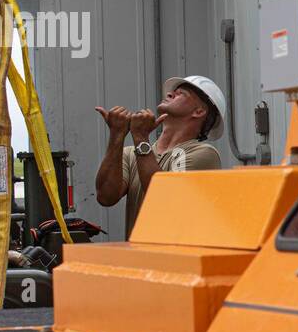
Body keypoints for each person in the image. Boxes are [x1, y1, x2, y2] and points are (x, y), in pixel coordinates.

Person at [95, 75, 226, 238]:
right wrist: (116, 135)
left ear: (199, 111)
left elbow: (163, 200)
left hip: (176, 261)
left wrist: (141, 138)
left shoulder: (203, 154)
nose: (170, 94)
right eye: (172, 92)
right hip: (139, 260)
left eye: (181, 93)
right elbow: (106, 197)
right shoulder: (131, 153)